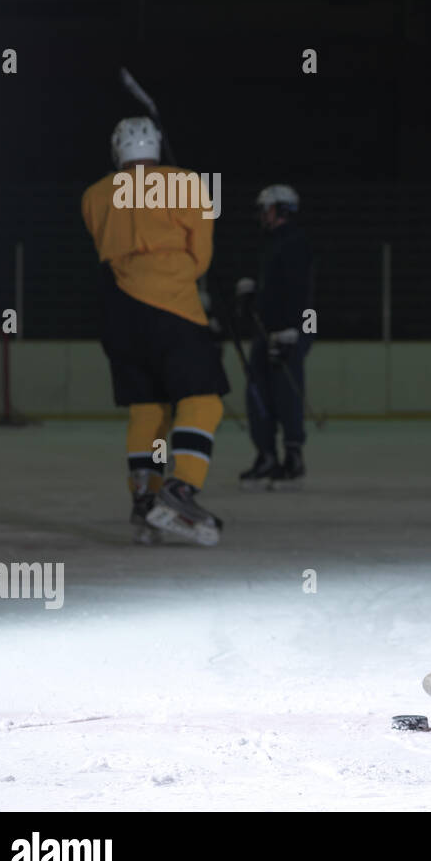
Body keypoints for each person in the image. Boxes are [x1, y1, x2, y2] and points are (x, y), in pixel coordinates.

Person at [81, 117, 227, 545]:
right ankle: (180, 489)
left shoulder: (93, 195)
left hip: (117, 310)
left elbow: (103, 242)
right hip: (172, 308)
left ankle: (144, 499)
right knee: (203, 401)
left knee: (147, 408)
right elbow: (201, 255)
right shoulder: (187, 184)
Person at [237, 185, 314, 489]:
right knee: (257, 393)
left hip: (289, 331)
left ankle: (293, 458)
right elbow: (272, 288)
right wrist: (250, 293)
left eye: (265, 209)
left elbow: (300, 290)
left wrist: (293, 331)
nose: (261, 215)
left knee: (286, 392)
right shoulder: (270, 243)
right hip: (266, 330)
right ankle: (266, 455)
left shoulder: (296, 242)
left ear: (281, 210)